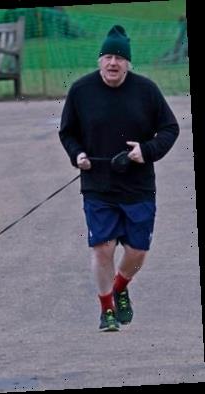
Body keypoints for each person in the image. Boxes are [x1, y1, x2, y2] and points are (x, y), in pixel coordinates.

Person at [59, 25, 179, 332]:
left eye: (120, 58)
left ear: (128, 63)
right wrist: (77, 155)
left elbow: (169, 129)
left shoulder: (147, 91)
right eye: (108, 57)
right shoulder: (81, 91)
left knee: (137, 251)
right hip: (98, 184)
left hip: (138, 185)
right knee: (103, 248)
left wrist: (146, 151)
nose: (113, 63)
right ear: (100, 60)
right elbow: (68, 132)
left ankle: (120, 286)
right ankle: (106, 309)